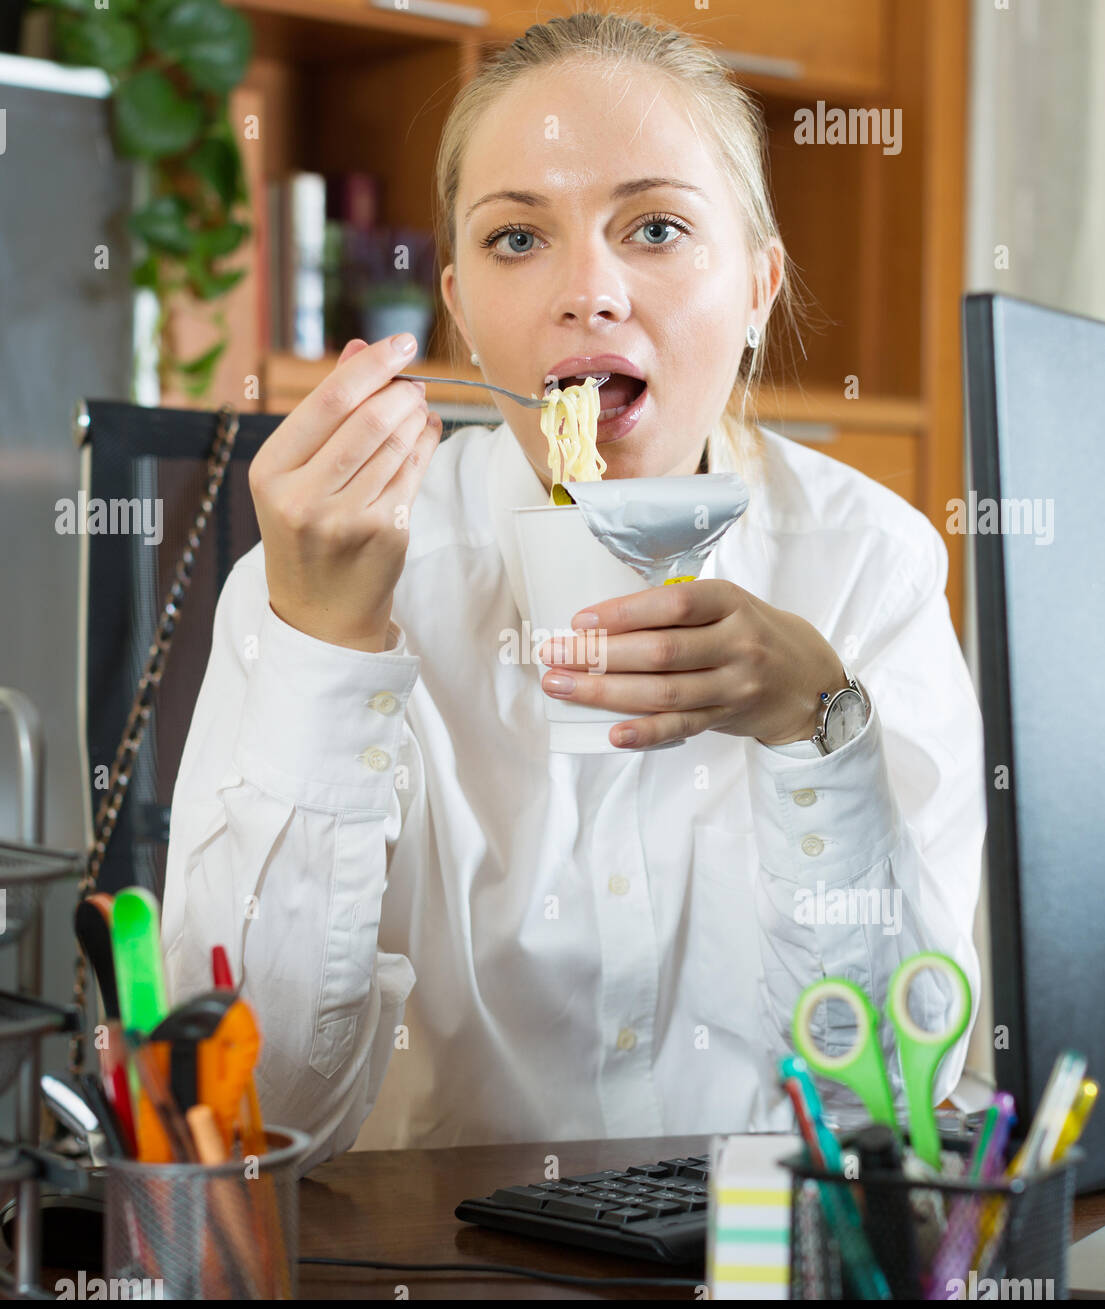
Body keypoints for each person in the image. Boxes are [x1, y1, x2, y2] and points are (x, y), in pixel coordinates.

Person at [162, 11, 985, 1172]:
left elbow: (886, 1096)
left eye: (654, 227)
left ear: (757, 288)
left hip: (752, 1265)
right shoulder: (315, 578)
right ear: (457, 306)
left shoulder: (867, 565)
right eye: (515, 240)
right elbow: (246, 1125)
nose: (587, 291)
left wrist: (817, 734)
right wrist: (325, 649)